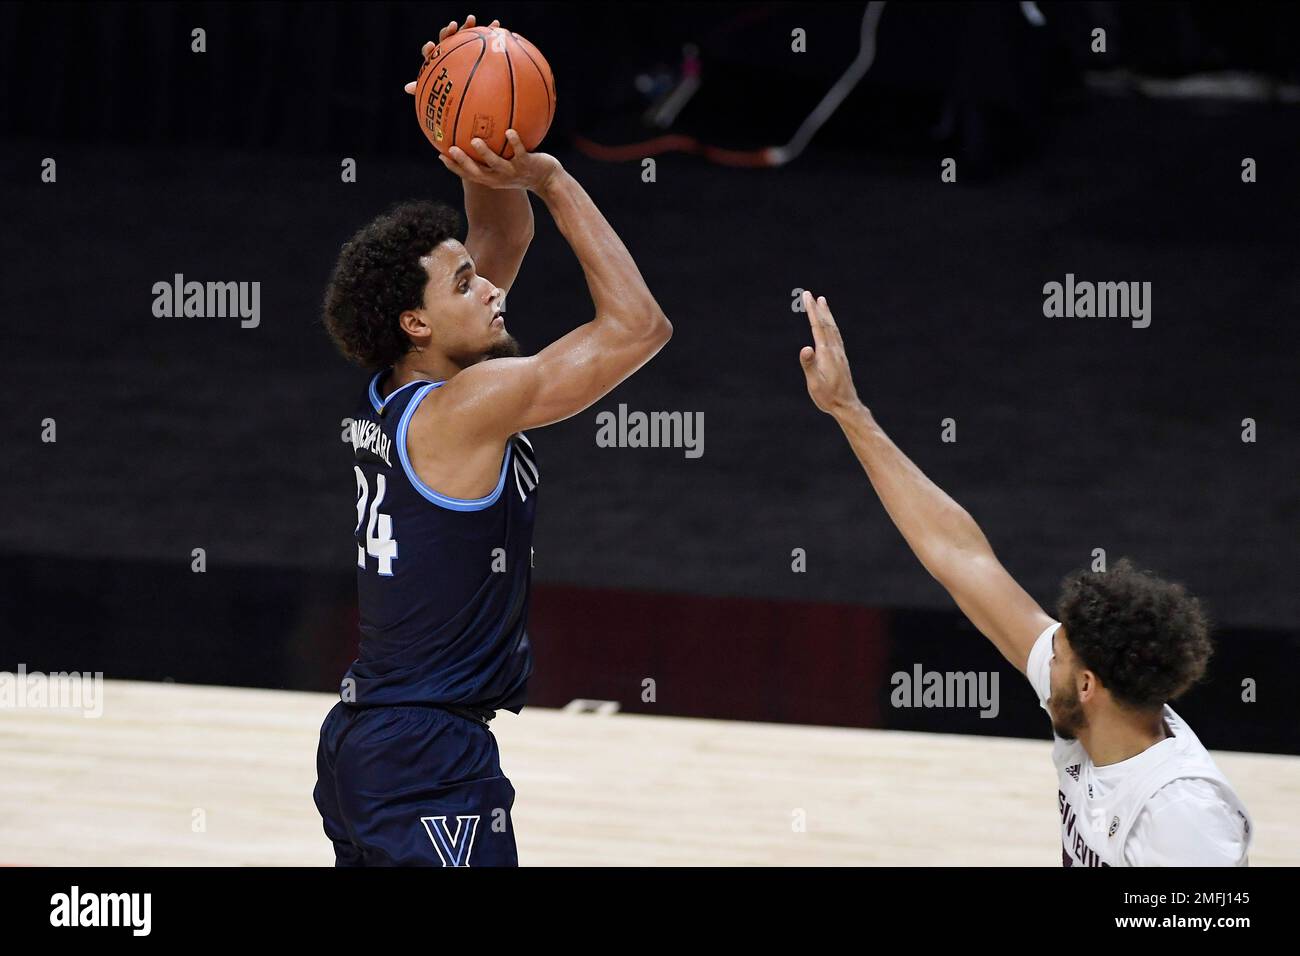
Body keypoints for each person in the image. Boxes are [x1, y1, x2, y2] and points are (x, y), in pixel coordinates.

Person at [312, 16, 671, 866]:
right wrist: (550, 178)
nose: (492, 291)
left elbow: (502, 239)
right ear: (416, 319)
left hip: (369, 742)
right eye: (466, 285)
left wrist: (468, 143)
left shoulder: (403, 387)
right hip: (427, 754)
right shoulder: (472, 403)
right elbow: (639, 326)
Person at [795, 289, 1251, 866]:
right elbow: (962, 558)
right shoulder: (1100, 709)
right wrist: (849, 412)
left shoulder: (1181, 818)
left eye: (1056, 652)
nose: (1042, 654)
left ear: (1088, 685)